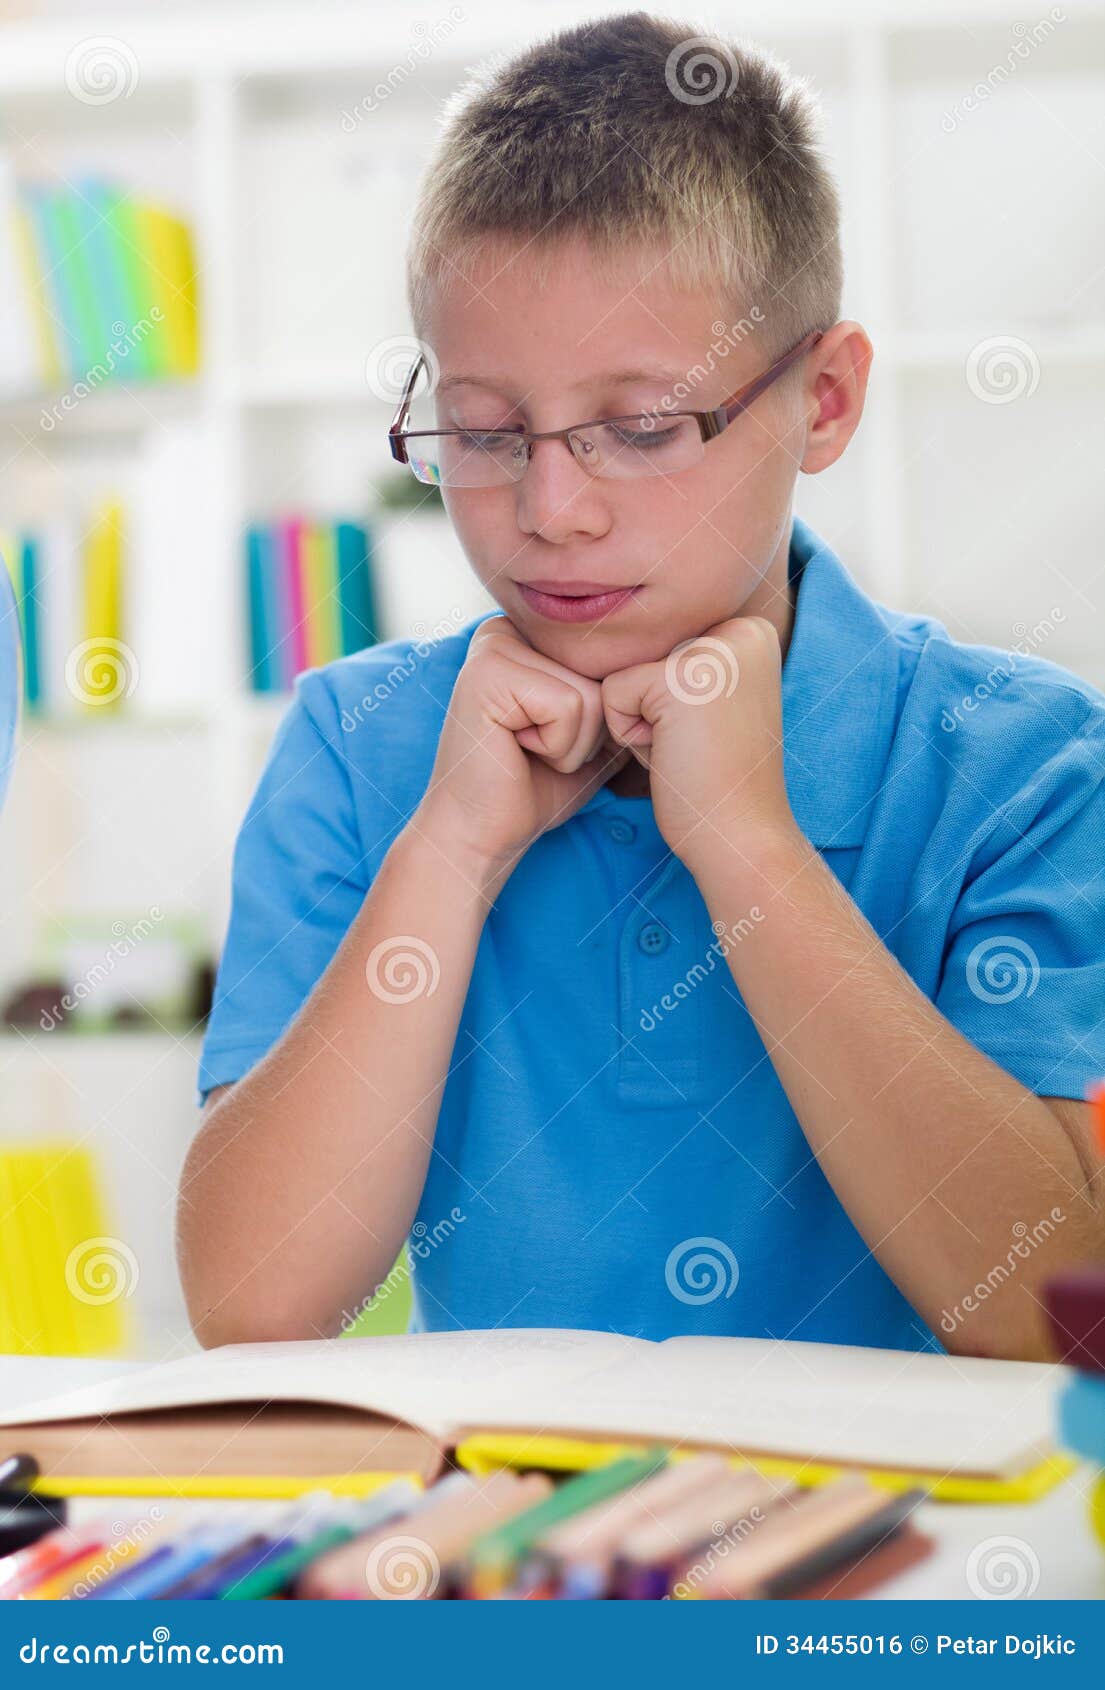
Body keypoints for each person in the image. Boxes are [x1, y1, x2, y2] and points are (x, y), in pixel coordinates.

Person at [178, 13, 1105, 1359]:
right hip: (519, 1554)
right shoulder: (358, 746)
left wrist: (744, 841)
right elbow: (254, 1305)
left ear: (825, 401)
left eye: (643, 428)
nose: (551, 510)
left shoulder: (1023, 761)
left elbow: (1046, 1314)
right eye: (486, 432)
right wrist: (449, 845)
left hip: (927, 1556)